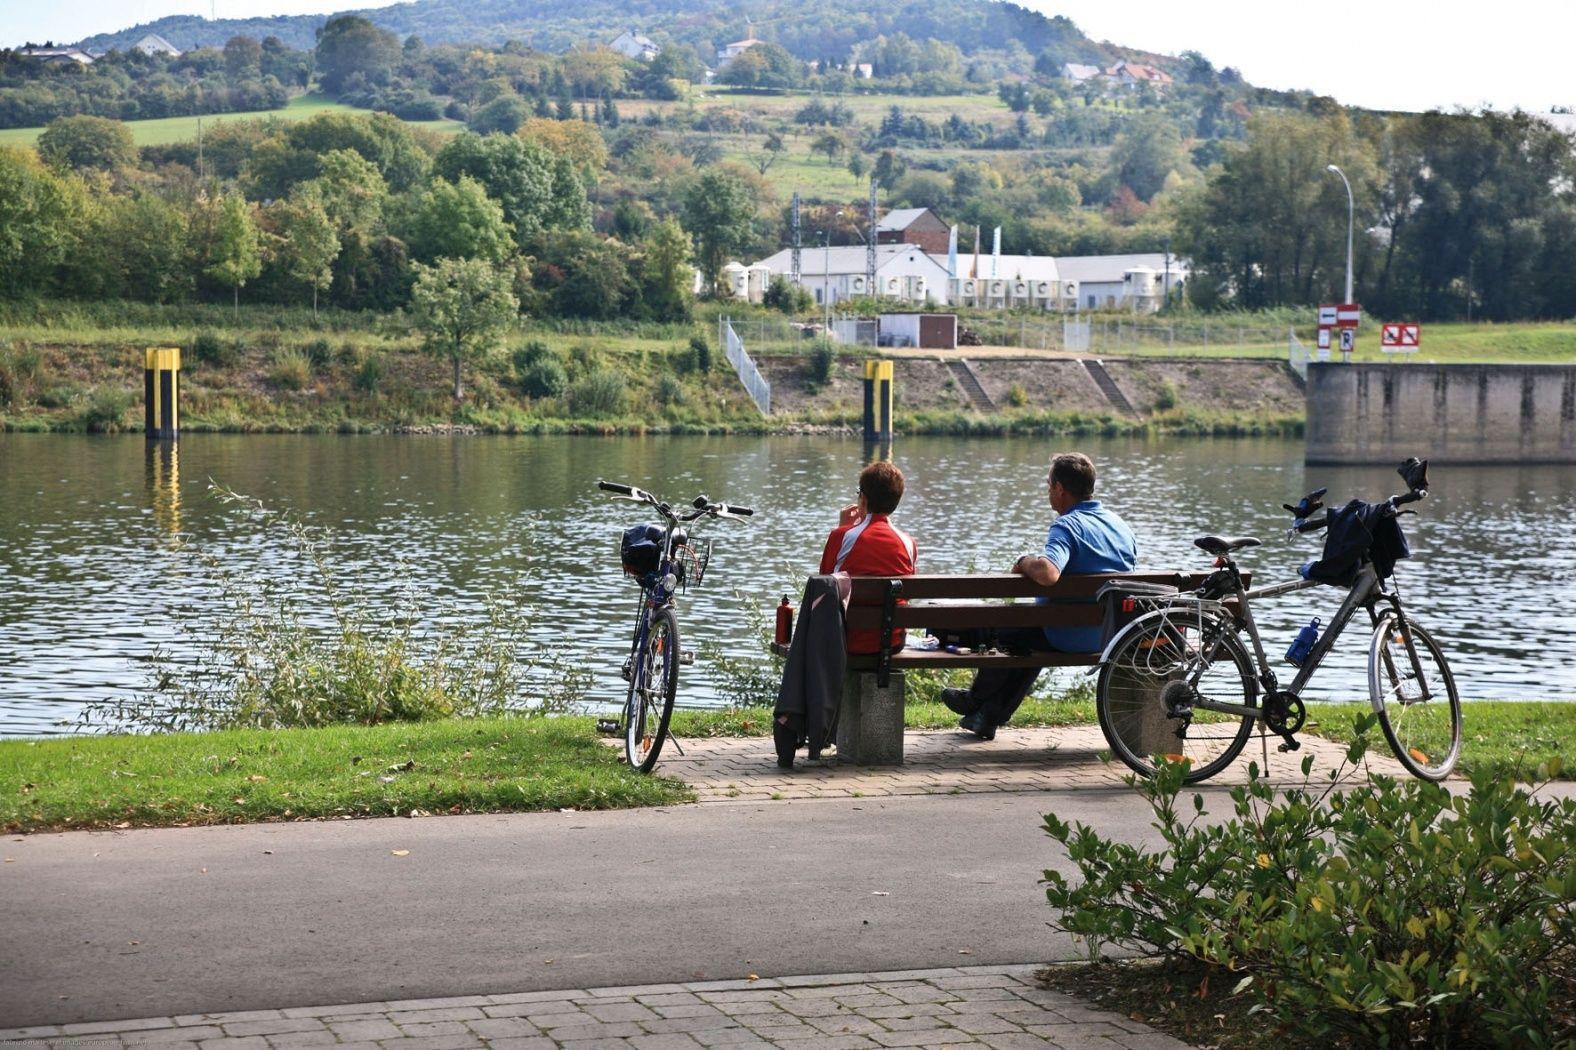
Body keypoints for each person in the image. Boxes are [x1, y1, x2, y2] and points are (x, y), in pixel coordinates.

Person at [942, 452, 1136, 740]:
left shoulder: (1068, 525)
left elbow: (1048, 573)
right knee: (1027, 633)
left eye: (1048, 485)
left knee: (1009, 632)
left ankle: (977, 700)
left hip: (1067, 636)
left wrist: (1023, 560)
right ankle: (987, 716)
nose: (1048, 492)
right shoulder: (1120, 525)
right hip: (1111, 635)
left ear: (1059, 489)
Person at [818, 460, 917, 653]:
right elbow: (908, 593)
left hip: (845, 641)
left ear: (863, 499)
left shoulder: (842, 536)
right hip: (892, 644)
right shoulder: (908, 543)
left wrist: (842, 528)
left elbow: (824, 585)